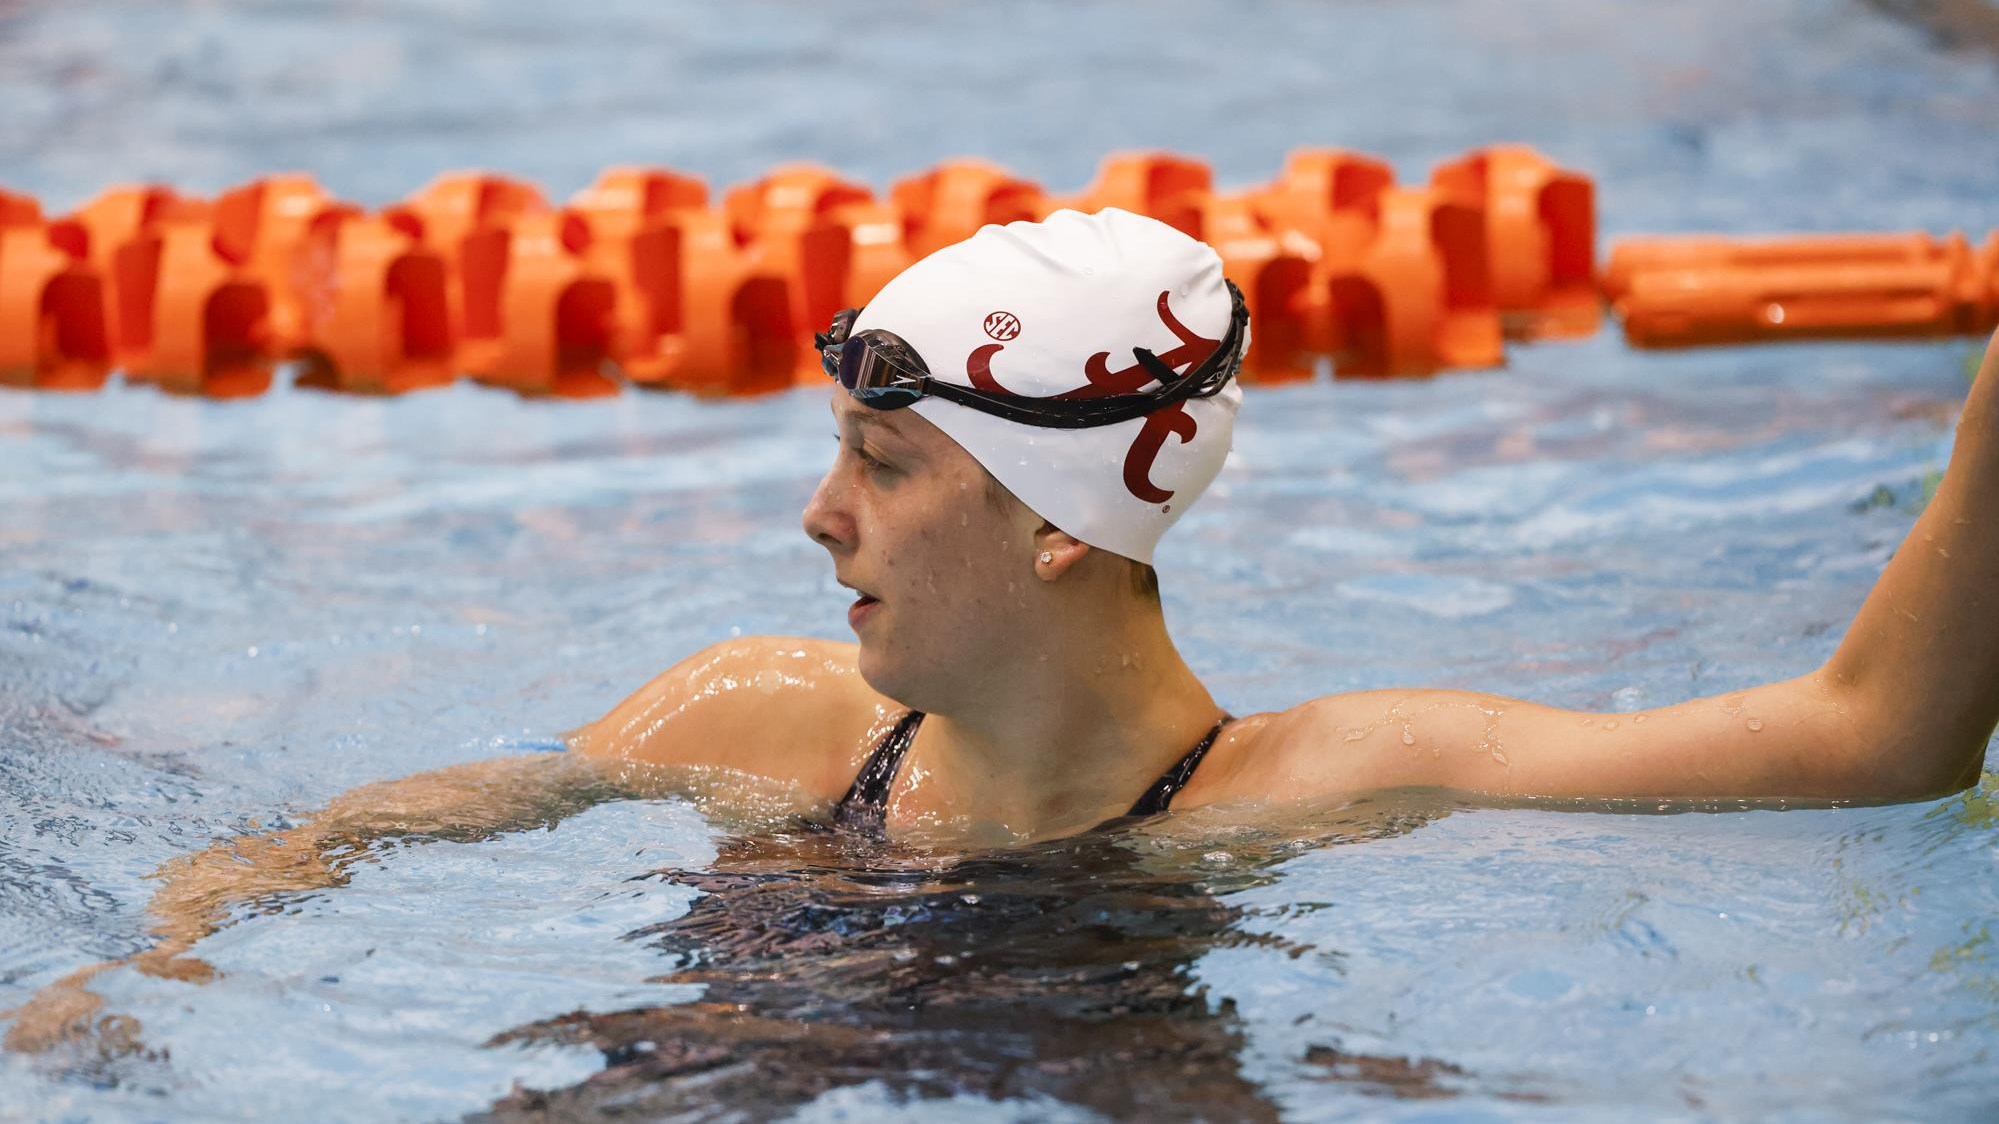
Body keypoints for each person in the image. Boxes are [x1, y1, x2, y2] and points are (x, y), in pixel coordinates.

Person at [6, 207, 1995, 1053]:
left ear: (1058, 522)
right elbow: (338, 831)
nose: (815, 511)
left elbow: (1871, 738)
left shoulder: (1332, 785)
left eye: (881, 460)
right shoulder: (753, 720)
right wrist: (149, 971)